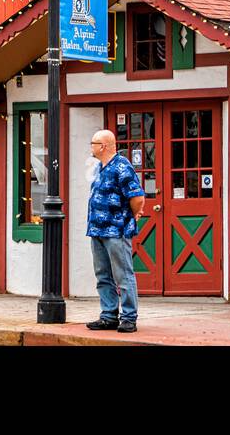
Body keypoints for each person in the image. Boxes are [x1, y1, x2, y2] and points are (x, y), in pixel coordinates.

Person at [85, 129, 145, 334]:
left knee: (123, 275)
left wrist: (133, 214)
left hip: (116, 230)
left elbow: (137, 197)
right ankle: (109, 315)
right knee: (103, 274)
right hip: (97, 230)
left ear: (102, 146)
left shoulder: (122, 166)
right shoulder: (99, 167)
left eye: (93, 143)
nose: (91, 147)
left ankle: (129, 317)